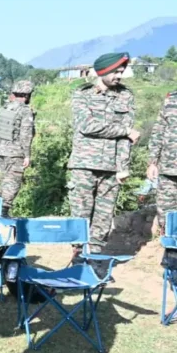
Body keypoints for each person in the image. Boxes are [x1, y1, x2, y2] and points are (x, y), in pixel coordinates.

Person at [67, 52, 138, 253]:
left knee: (103, 218)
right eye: (116, 71)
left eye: (122, 71)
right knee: (80, 216)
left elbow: (127, 138)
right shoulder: (82, 94)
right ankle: (78, 257)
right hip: (84, 165)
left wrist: (123, 167)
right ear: (104, 71)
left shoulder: (126, 95)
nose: (120, 76)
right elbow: (87, 125)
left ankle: (94, 260)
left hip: (111, 167)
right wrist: (124, 130)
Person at [0, 80, 35, 216]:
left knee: (0, 185)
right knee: (12, 185)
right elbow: (26, 134)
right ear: (27, 95)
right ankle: (2, 215)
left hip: (0, 153)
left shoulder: (4, 108)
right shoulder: (25, 111)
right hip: (15, 154)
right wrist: (27, 155)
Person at [147, 90, 177, 232]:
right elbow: (158, 132)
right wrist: (152, 162)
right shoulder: (171, 99)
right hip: (168, 167)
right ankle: (169, 246)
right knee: (166, 213)